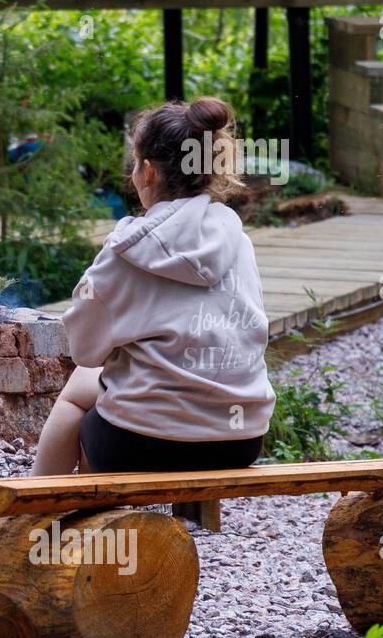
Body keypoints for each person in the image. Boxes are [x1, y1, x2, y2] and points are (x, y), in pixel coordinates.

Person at [32, 97, 275, 478]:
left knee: (78, 390)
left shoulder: (128, 249)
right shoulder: (238, 240)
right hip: (239, 439)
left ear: (147, 172)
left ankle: (37, 517)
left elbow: (84, 349)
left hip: (142, 442)